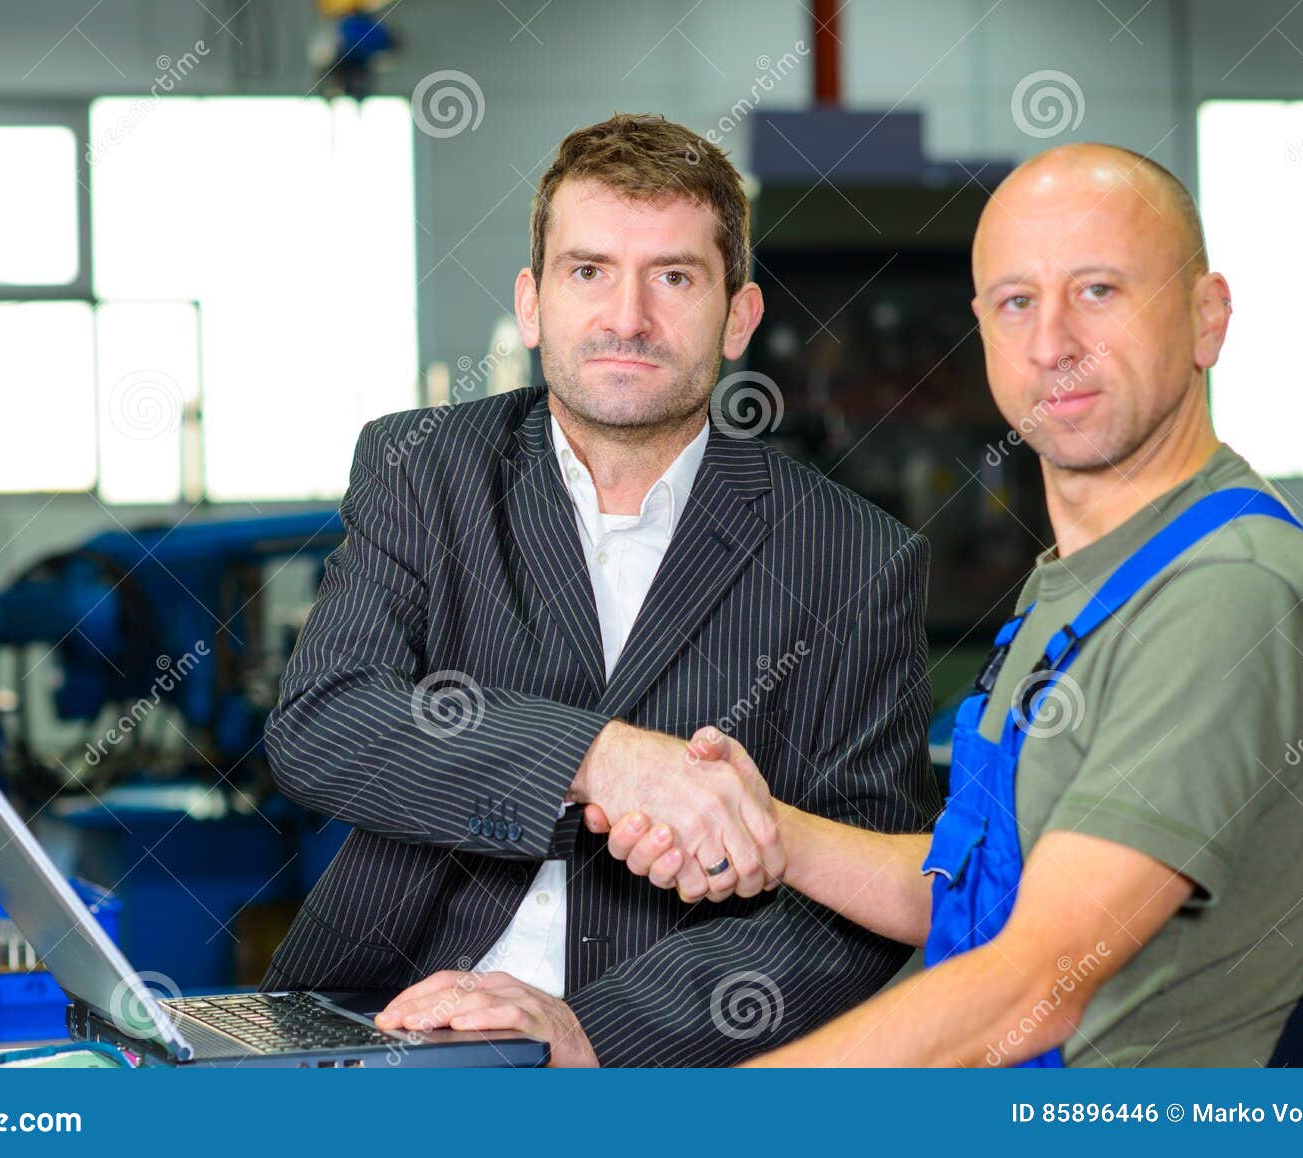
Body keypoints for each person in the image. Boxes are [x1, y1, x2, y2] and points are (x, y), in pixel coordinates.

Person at [596, 142, 1303, 1067]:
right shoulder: (1075, 585)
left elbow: (1033, 986)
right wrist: (770, 827)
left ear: (1208, 319)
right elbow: (983, 894)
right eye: (1017, 302)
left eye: (1099, 291)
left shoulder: (1231, 591)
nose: (1051, 343)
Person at [261, 113, 941, 1067]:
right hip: (382, 1020)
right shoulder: (423, 468)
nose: (628, 318)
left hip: (662, 1065)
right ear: (533, 304)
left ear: (738, 316)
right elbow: (327, 724)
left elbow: (861, 908)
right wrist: (601, 760)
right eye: (589, 272)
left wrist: (596, 1035)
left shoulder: (852, 556)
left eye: (673, 277)